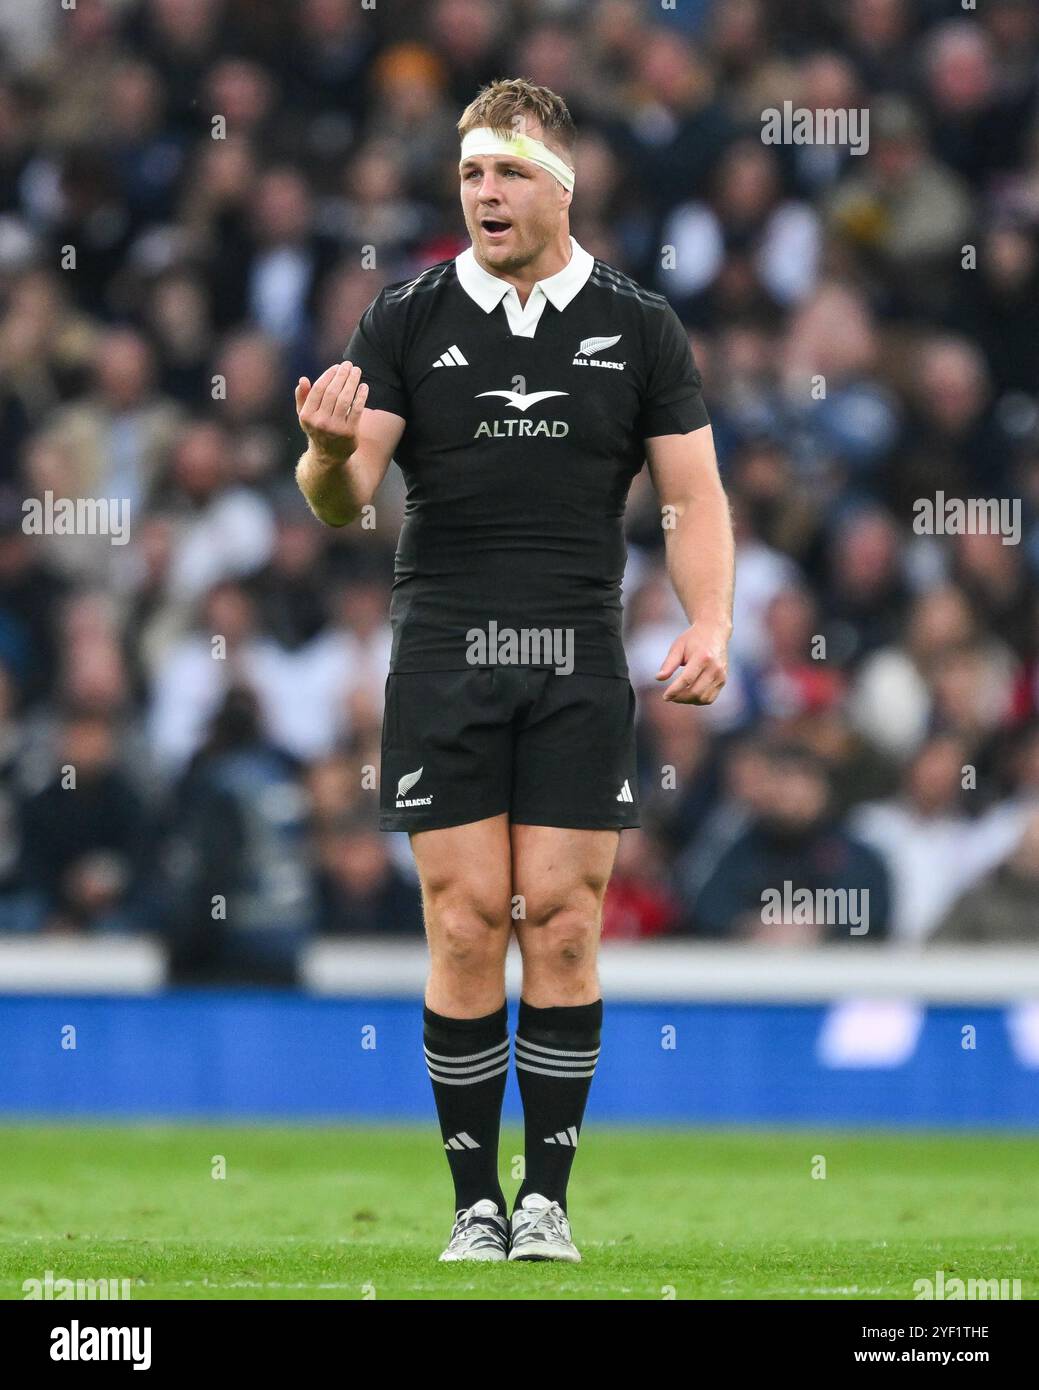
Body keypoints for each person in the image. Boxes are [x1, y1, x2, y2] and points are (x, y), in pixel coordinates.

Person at [295, 79, 734, 1264]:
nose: (484, 194)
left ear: (563, 186)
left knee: (567, 923)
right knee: (465, 920)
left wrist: (709, 622)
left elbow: (693, 496)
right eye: (470, 175)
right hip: (446, 652)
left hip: (577, 652)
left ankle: (546, 1200)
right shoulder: (407, 316)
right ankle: (472, 1206)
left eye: (507, 173)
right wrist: (325, 455)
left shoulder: (639, 325)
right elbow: (341, 497)